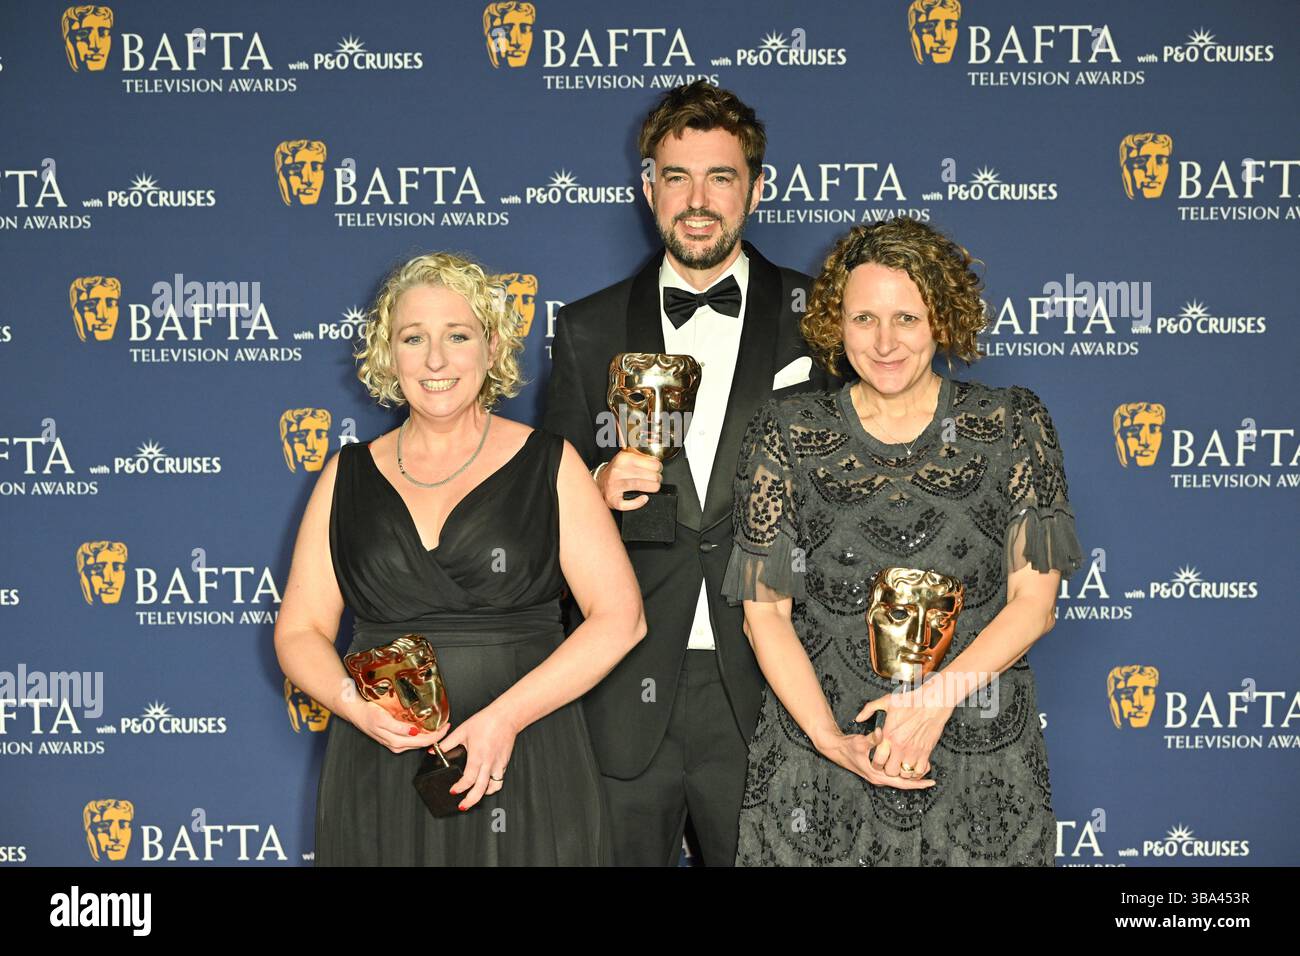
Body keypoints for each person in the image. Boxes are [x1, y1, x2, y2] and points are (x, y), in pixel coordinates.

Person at [723, 217, 1083, 865]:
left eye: (907, 319)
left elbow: (1036, 601)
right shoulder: (786, 429)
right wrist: (832, 740)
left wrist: (932, 704)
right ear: (837, 322)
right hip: (822, 757)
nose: (884, 342)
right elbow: (763, 615)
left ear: (941, 320)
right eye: (864, 319)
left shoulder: (1011, 424)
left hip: (976, 759)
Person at [274, 252, 645, 866]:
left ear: (492, 346)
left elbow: (620, 617)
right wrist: (349, 703)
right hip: (381, 764)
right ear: (388, 354)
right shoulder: (346, 476)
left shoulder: (550, 463)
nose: (436, 360)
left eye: (458, 335)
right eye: (413, 338)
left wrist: (504, 719)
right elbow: (300, 629)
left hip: (526, 757)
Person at [544, 81, 831, 866]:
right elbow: (538, 509)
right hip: (621, 690)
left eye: (721, 177)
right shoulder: (586, 327)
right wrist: (591, 492)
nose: (697, 200)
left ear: (757, 188)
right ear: (648, 188)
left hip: (774, 689)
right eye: (677, 177)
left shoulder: (827, 322)